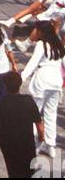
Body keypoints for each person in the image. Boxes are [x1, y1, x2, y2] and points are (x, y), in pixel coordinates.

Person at [0, 70, 44, 177]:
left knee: (13, 169)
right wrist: (41, 137)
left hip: (8, 144)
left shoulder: (2, 103)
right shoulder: (28, 101)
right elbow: (39, 124)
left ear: (5, 86)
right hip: (27, 142)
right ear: (20, 84)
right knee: (29, 170)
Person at [18, 21, 64, 156]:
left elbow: (33, 63)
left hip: (42, 80)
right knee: (51, 114)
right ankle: (50, 145)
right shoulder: (59, 44)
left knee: (34, 113)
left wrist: (22, 77)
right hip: (56, 82)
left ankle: (33, 143)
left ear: (41, 32)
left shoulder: (41, 44)